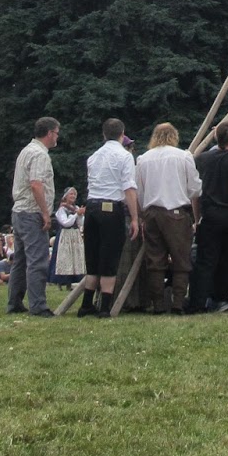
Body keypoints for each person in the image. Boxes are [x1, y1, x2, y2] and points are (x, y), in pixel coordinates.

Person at [135, 123, 201, 315]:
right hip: (176, 213)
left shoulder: (143, 159)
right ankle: (177, 304)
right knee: (181, 260)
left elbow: (139, 190)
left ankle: (158, 305)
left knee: (155, 261)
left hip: (152, 213)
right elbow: (195, 188)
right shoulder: (183, 156)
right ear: (174, 136)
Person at [188, 120, 228, 313]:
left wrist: (197, 217)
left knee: (205, 262)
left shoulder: (202, 159)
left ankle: (198, 303)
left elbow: (196, 193)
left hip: (209, 216)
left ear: (215, 137)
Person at [79, 118, 140, 318]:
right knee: (110, 258)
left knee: (93, 258)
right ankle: (105, 307)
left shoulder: (93, 157)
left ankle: (86, 304)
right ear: (122, 135)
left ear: (104, 135)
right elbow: (129, 188)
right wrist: (134, 218)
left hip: (92, 208)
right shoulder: (124, 156)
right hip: (111, 207)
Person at [7, 117, 61, 318]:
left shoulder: (26, 151)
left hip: (19, 212)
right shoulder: (40, 155)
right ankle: (38, 305)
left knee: (20, 261)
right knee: (37, 261)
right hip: (32, 212)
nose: (57, 137)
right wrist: (45, 213)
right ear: (49, 133)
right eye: (56, 133)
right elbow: (36, 184)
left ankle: (14, 302)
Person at [48, 190, 85, 287]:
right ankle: (63, 280)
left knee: (75, 256)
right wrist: (77, 214)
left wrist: (80, 215)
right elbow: (65, 222)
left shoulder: (76, 208)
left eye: (74, 194)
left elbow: (80, 223)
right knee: (65, 256)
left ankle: (76, 278)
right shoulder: (62, 209)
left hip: (75, 234)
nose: (73, 196)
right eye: (71, 194)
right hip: (65, 235)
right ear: (66, 196)